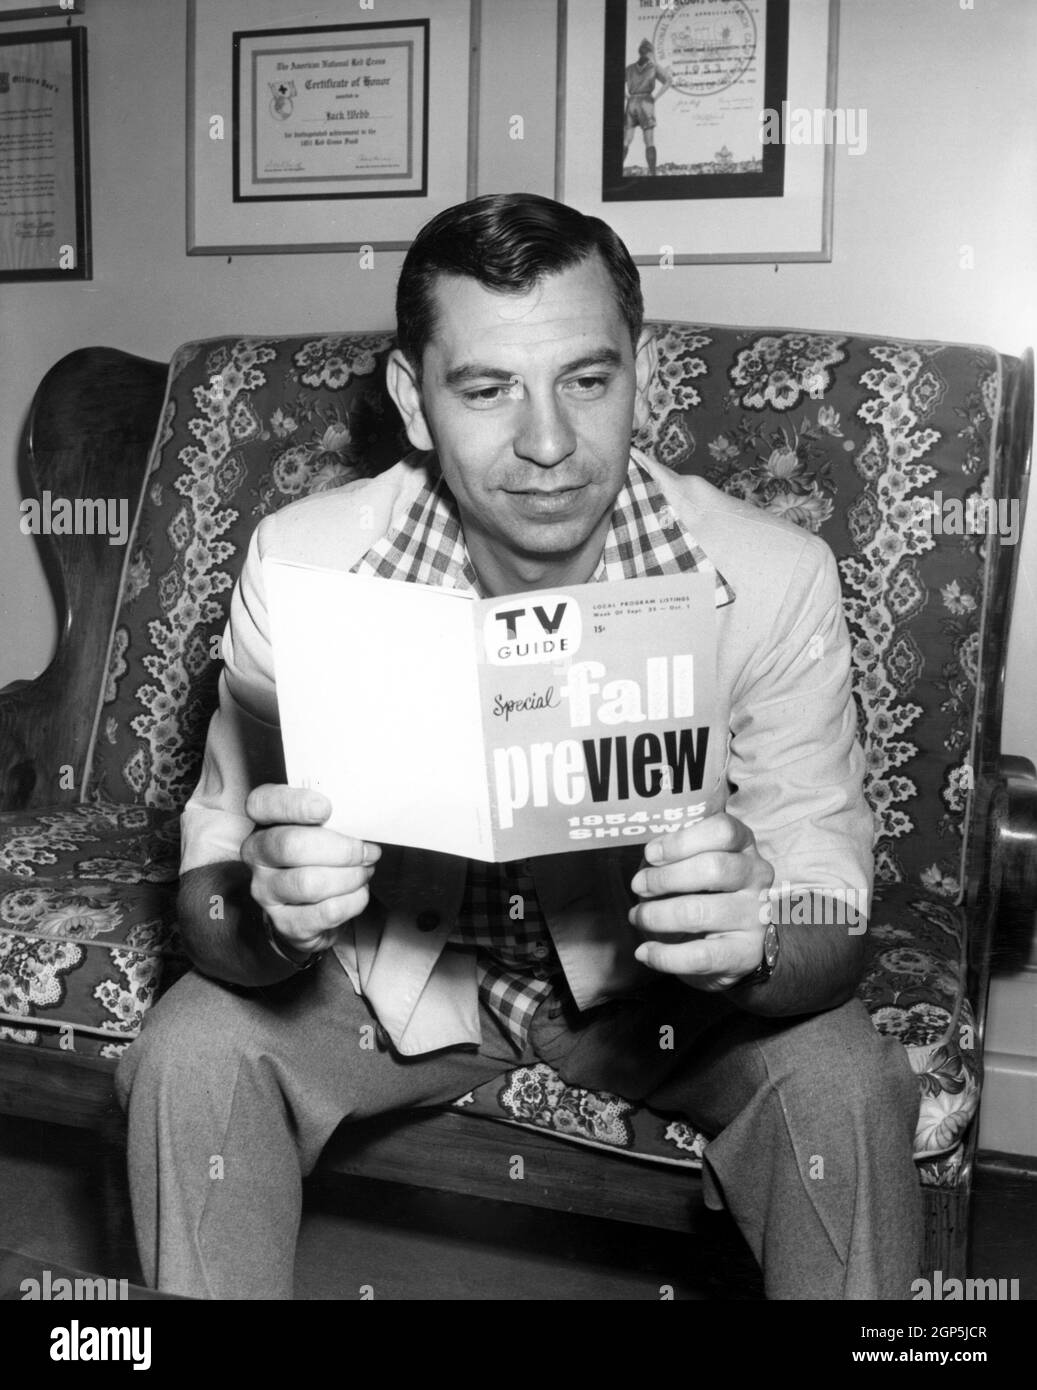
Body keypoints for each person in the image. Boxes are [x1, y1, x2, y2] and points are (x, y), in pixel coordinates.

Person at [115, 192, 922, 1301]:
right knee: (193, 1048)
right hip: (396, 985)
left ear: (639, 371)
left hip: (661, 1008)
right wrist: (265, 911)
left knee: (844, 1078)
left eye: (586, 381)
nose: (546, 443)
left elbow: (834, 917)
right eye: (487, 389)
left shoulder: (774, 577)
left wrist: (757, 938)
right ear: (411, 399)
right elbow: (207, 897)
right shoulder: (300, 568)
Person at [624, 38, 671, 176]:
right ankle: (652, 173)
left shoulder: (629, 68)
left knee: (626, 140)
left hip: (631, 103)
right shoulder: (653, 66)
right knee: (649, 141)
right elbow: (669, 80)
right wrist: (656, 97)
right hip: (646, 103)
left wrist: (628, 96)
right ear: (650, 52)